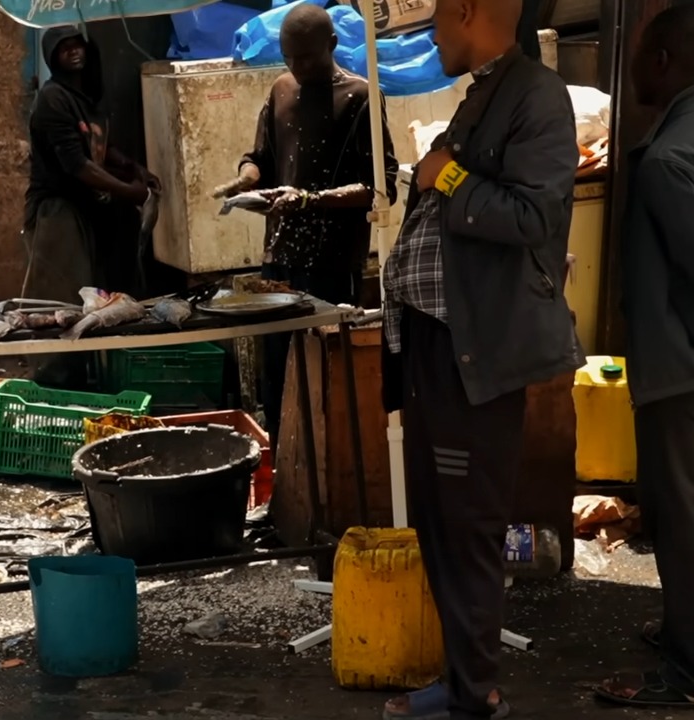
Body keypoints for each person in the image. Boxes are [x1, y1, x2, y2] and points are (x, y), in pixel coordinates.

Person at [378, 0, 582, 717]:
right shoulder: (487, 92)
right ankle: (461, 680)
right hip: (435, 345)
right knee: (440, 518)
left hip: (477, 353)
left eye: (436, 21)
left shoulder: (536, 95)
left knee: (469, 523)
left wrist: (449, 178)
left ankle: (477, 693)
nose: (430, 36)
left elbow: (536, 217)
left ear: (467, 11)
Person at [214, 3, 397, 443]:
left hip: (332, 267)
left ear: (332, 46)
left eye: (307, 57)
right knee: (278, 380)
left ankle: (330, 484)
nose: (297, 67)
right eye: (289, 57)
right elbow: (260, 159)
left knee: (328, 380)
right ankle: (283, 477)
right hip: (279, 264)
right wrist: (244, 181)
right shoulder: (280, 89)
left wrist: (310, 200)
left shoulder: (360, 97)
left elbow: (378, 185)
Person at [596, 4, 694, 708]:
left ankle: (687, 669)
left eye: (634, 54)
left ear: (662, 60)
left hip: (678, 373)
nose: (627, 69)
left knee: (682, 521)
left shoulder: (667, 159)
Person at [22, 25, 160, 387]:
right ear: (52, 57)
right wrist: (131, 193)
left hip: (87, 210)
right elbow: (77, 165)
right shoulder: (52, 99)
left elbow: (97, 147)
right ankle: (54, 384)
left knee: (91, 301)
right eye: (63, 49)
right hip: (57, 212)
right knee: (60, 303)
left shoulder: (85, 96)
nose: (73, 53)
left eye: (77, 46)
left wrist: (134, 167)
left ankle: (83, 378)